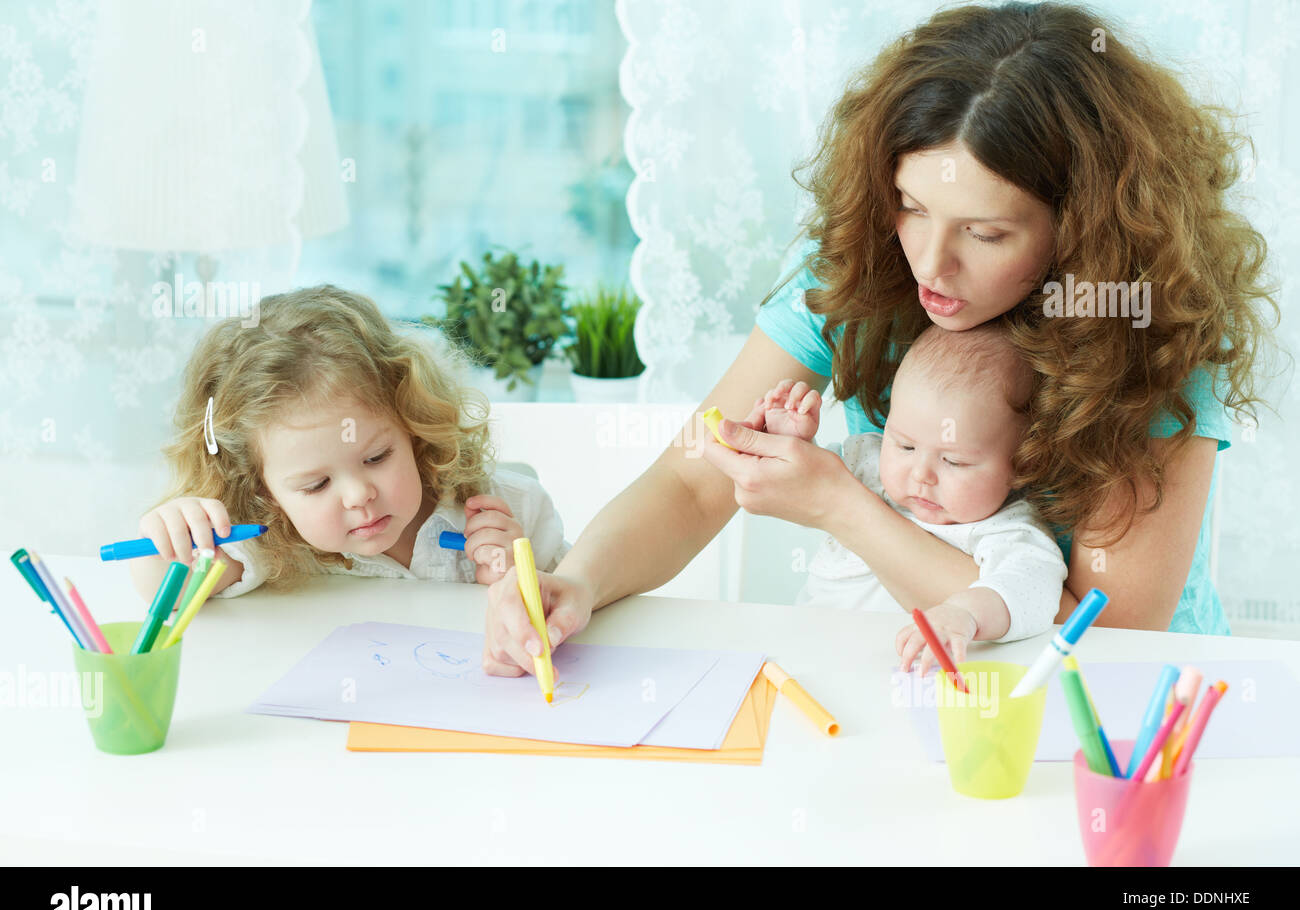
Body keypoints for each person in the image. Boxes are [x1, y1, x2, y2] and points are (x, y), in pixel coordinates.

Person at [481, 1, 1280, 680]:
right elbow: (696, 481)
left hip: (1107, 704)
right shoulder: (853, 271)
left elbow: (1098, 635)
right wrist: (578, 580)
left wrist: (841, 505)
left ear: (1082, 232)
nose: (931, 264)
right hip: (909, 669)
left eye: (987, 231)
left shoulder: (1148, 331)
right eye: (911, 205)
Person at [128, 285, 569, 608]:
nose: (359, 495)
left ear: (413, 424)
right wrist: (171, 538)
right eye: (316, 484)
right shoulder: (270, 540)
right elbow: (166, 595)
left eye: (376, 457)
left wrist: (515, 581)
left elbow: (583, 603)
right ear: (262, 490)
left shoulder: (516, 509)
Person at [756, 321, 1067, 669]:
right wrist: (792, 440)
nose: (921, 474)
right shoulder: (866, 465)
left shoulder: (1007, 528)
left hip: (904, 679)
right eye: (905, 445)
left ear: (1021, 464)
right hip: (808, 661)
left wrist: (965, 613)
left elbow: (1032, 590)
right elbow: (799, 484)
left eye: (954, 461)